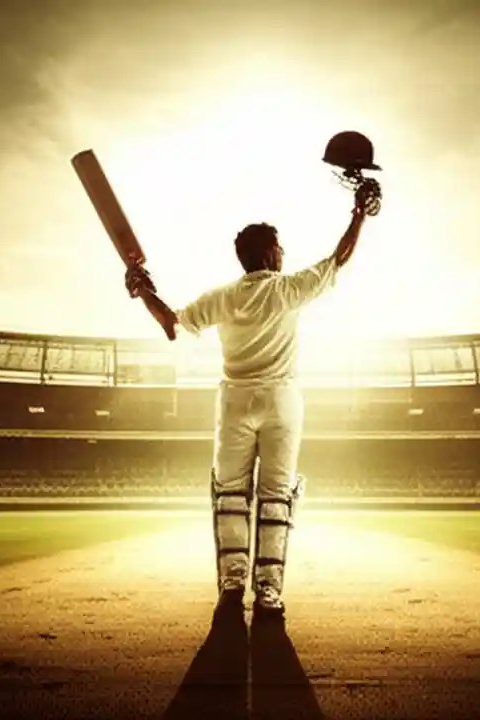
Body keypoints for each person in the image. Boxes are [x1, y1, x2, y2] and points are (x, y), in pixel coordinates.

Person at [124, 189, 372, 617]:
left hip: (234, 401)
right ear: (273, 253)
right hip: (282, 400)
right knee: (276, 498)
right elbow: (339, 259)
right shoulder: (289, 288)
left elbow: (171, 323)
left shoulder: (223, 296)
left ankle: (231, 584)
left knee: (230, 496)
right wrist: (358, 215)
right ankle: (269, 592)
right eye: (280, 247)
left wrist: (144, 291)